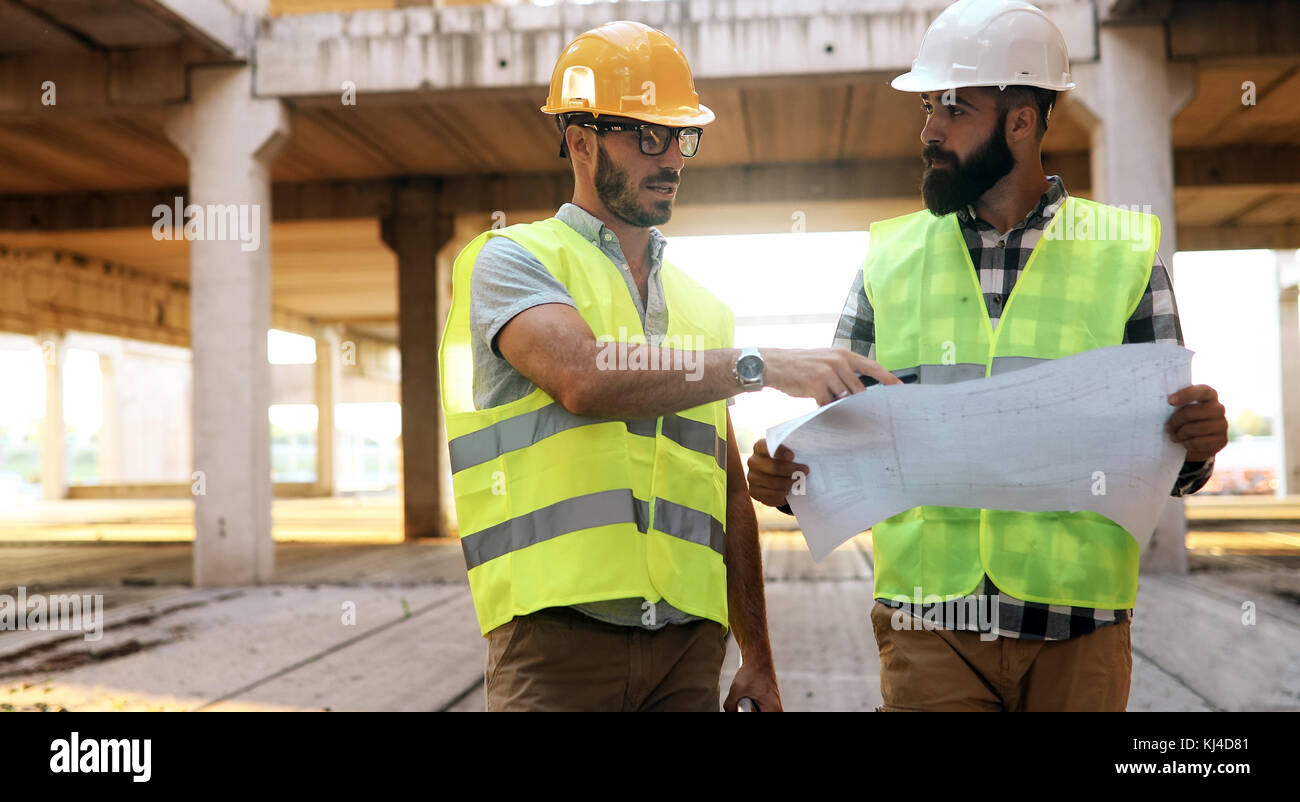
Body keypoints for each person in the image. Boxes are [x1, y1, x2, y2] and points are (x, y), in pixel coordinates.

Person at [745, 0, 1229, 712]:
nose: (929, 130)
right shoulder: (892, 257)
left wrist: (1198, 447)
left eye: (952, 108)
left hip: (1077, 627)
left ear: (1022, 121)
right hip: (928, 626)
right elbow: (844, 441)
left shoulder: (1124, 255)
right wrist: (786, 479)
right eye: (930, 108)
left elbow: (1165, 462)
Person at [438, 20, 898, 712]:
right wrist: (763, 366)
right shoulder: (513, 260)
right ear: (581, 140)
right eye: (649, 136)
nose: (674, 158)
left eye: (683, 136)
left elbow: (729, 495)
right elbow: (584, 378)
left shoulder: (702, 308)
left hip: (687, 649)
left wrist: (759, 658)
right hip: (556, 644)